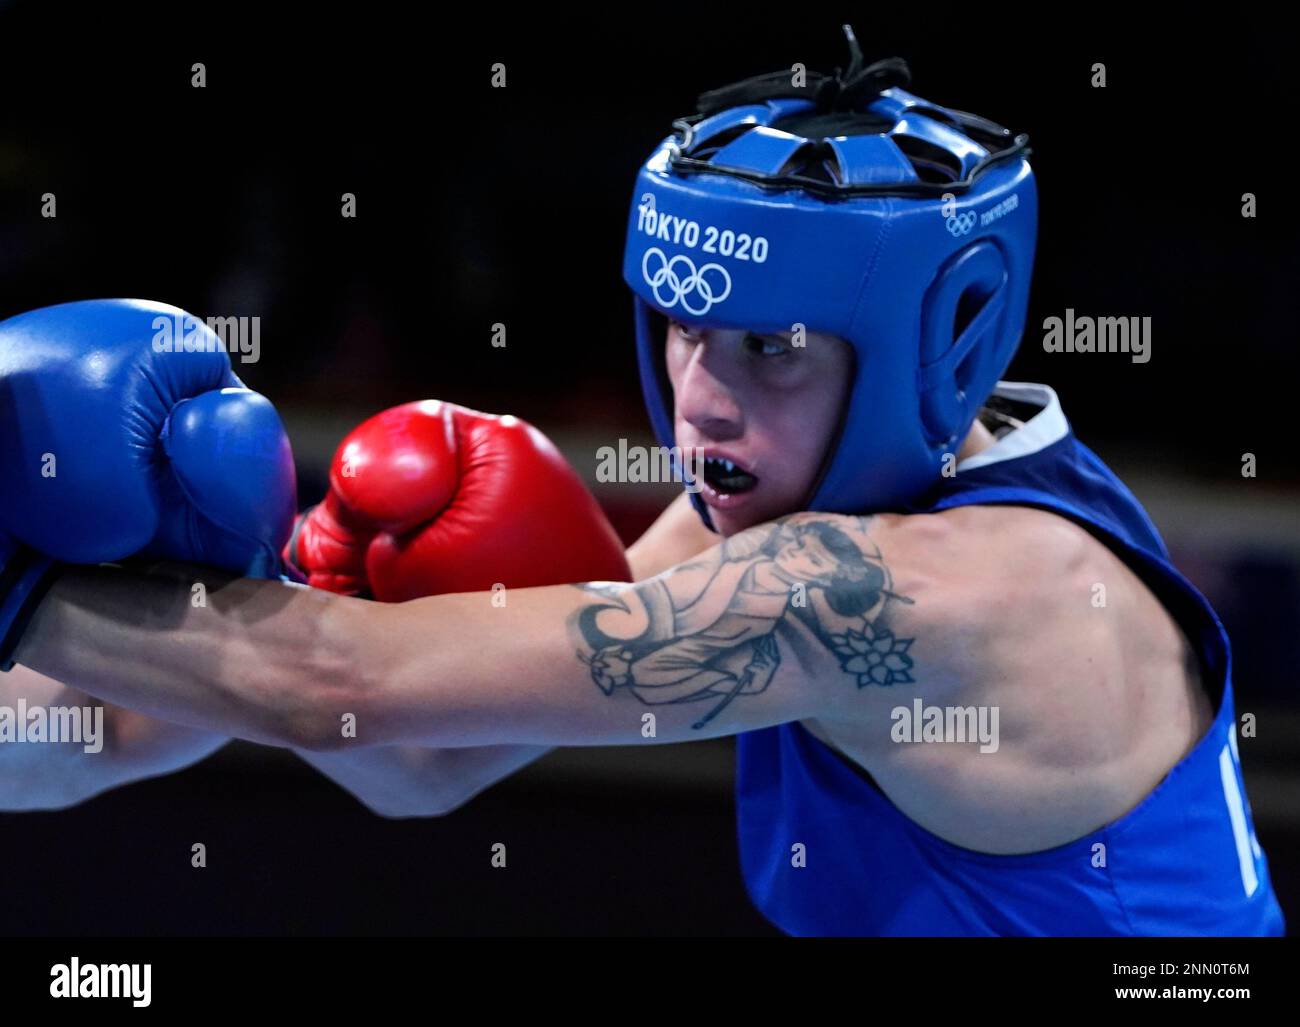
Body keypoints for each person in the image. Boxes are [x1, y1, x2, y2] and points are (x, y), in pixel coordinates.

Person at [0, 33, 1285, 936]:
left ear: (934, 339)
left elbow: (338, 686)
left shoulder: (915, 593)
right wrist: (234, 581)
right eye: (681, 327)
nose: (703, 399)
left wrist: (23, 572)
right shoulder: (790, 501)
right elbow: (420, 762)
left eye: (771, 346)